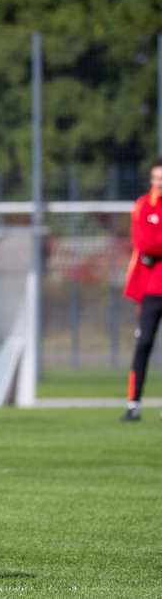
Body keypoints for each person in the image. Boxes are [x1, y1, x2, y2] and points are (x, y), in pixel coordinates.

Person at [122, 157, 162, 422]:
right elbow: (144, 243)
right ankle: (134, 403)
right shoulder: (142, 206)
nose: (159, 183)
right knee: (144, 343)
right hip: (151, 290)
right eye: (156, 178)